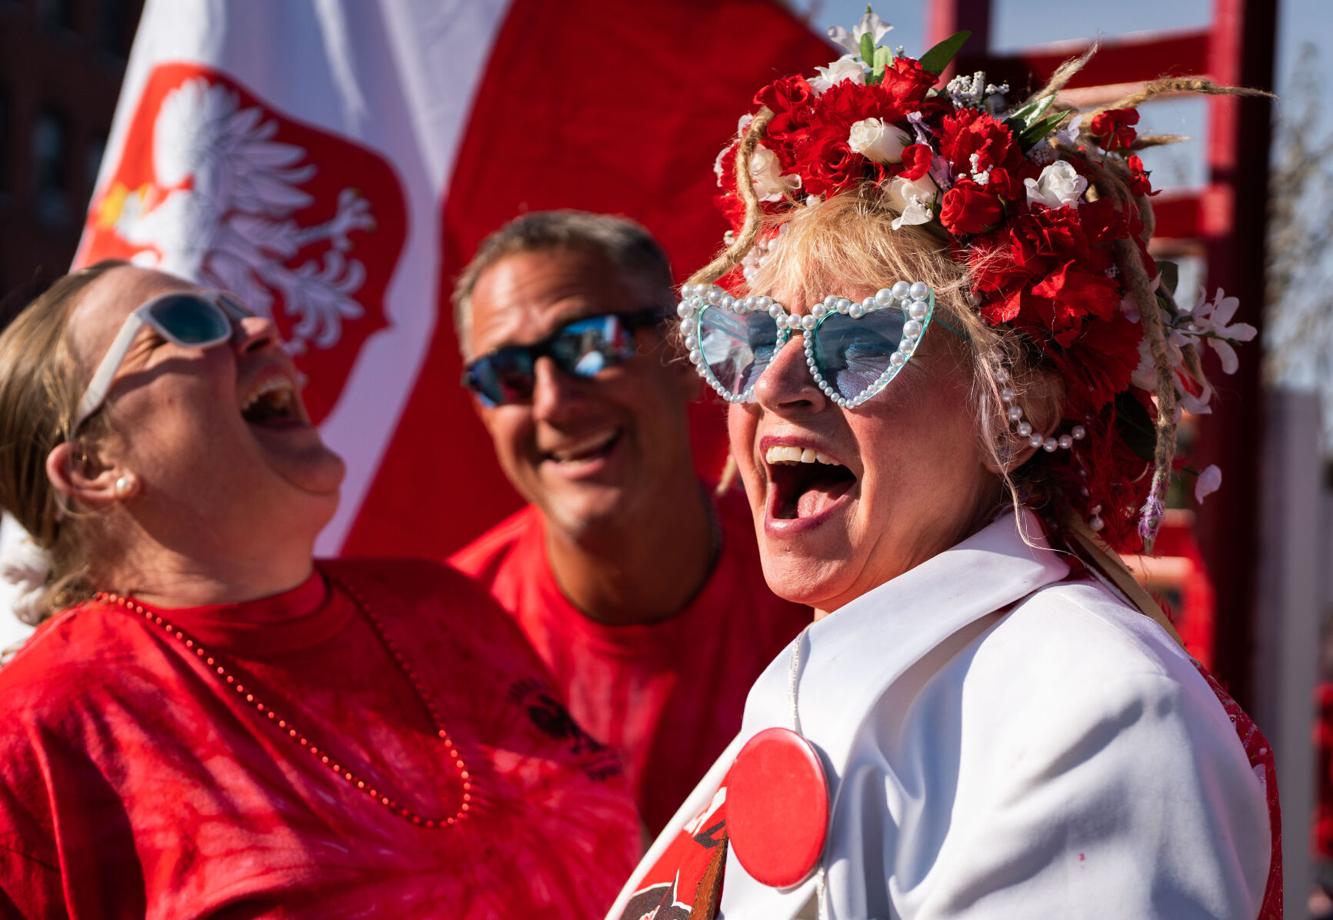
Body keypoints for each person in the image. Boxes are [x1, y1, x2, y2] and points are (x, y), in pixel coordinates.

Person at [609, 14, 1279, 919]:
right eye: (751, 336)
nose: (772, 385)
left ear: (1018, 412)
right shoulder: (860, 668)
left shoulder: (1089, 714)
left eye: (861, 340)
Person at [0, 262, 638, 917]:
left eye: (237, 310)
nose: (257, 328)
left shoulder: (449, 609)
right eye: (187, 326)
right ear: (94, 466)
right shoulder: (37, 731)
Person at [449, 211, 810, 834]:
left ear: (682, 352)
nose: (553, 403)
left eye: (588, 345)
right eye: (504, 375)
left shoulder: (825, 570)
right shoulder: (448, 646)